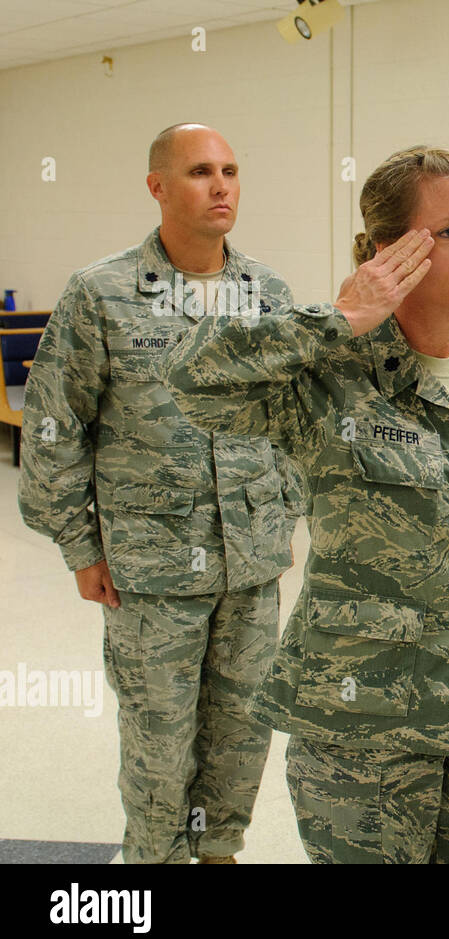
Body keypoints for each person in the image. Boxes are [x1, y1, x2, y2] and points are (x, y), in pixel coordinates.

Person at [161, 147, 449, 864]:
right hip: (363, 733)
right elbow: (187, 379)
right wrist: (337, 316)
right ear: (383, 250)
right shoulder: (329, 376)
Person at [18, 123, 303, 864]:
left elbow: (300, 417)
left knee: (240, 730)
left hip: (251, 569)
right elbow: (53, 425)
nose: (221, 186)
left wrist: (282, 515)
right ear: (157, 187)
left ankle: (217, 851)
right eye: (201, 171)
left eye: (232, 170)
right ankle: (155, 863)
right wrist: (80, 545)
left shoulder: (267, 293)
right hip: (151, 571)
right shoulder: (102, 292)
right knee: (159, 740)